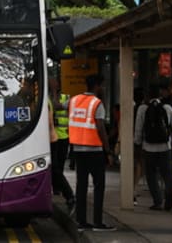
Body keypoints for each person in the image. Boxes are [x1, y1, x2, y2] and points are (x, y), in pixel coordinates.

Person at [68, 74, 116, 232]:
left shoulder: (74, 101)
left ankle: (81, 221)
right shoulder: (97, 103)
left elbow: (58, 105)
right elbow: (101, 128)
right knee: (98, 186)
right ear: (96, 86)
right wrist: (108, 150)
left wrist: (53, 91)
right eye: (101, 85)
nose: (102, 88)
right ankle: (97, 222)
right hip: (94, 150)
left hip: (78, 150)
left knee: (81, 186)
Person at [134, 82, 172, 211]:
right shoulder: (168, 108)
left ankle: (158, 201)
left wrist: (138, 143)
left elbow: (138, 129)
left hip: (149, 147)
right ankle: (169, 200)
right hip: (165, 147)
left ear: (147, 95)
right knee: (167, 174)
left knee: (151, 175)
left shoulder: (142, 109)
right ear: (160, 95)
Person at [49, 77, 75, 211]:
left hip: (63, 136)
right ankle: (57, 189)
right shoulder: (45, 97)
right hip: (53, 137)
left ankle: (62, 190)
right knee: (55, 166)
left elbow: (56, 106)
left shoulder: (66, 97)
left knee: (58, 165)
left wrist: (54, 92)